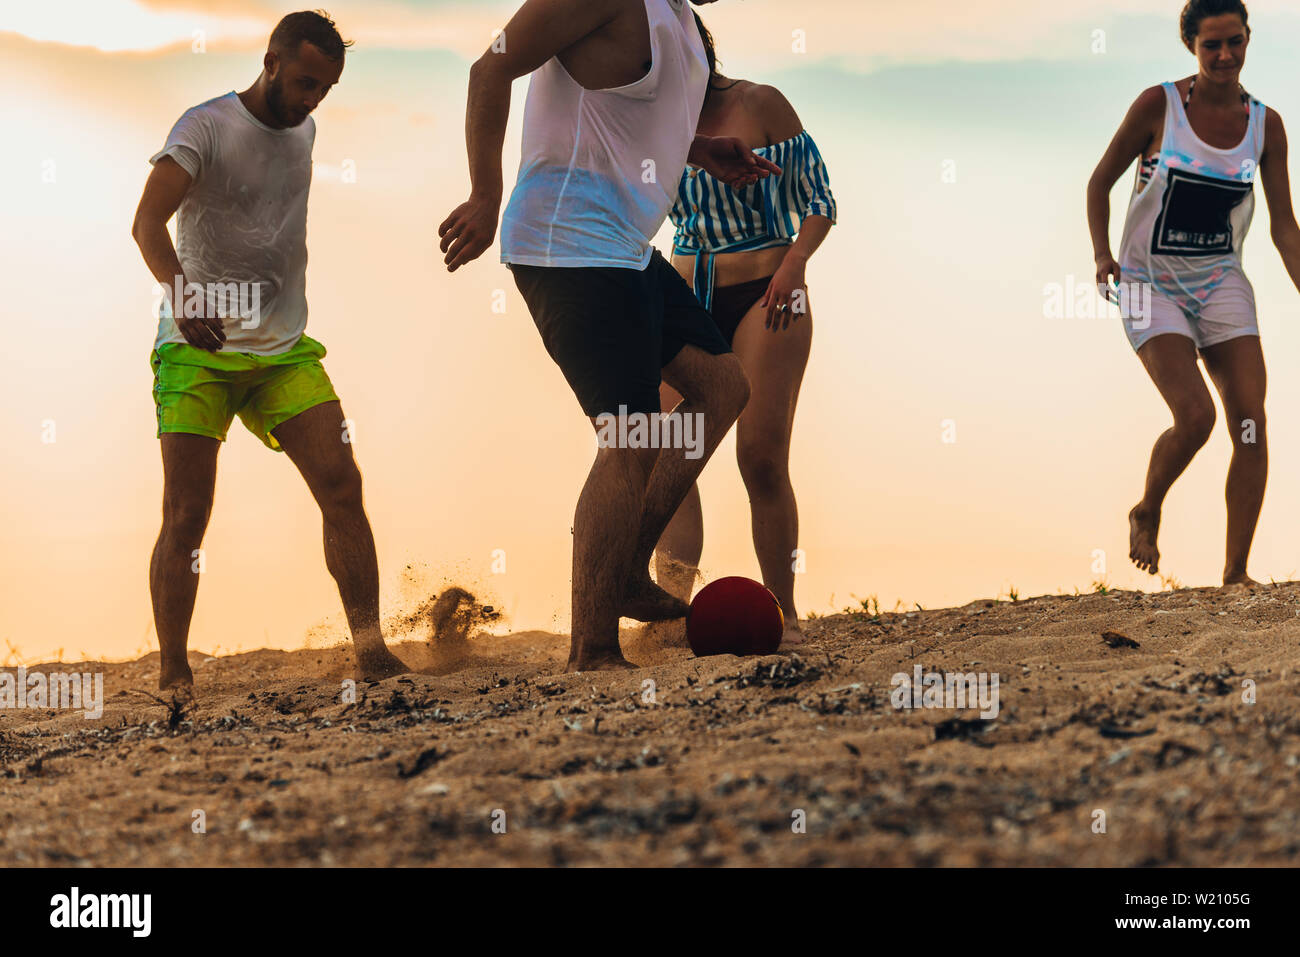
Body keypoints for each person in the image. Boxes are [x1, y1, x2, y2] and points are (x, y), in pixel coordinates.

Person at [438, 0, 780, 672]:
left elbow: (637, 121)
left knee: (722, 386)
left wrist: (702, 151)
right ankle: (591, 648)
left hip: (624, 246)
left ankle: (622, 566)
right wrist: (484, 192)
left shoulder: (678, 22)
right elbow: (490, 69)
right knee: (630, 435)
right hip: (567, 241)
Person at [131, 11, 408, 693]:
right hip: (197, 347)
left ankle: (370, 648)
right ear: (272, 61)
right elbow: (146, 223)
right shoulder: (203, 127)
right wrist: (183, 296)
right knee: (187, 515)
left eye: (326, 89)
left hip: (283, 352)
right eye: (306, 82)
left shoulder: (305, 130)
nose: (313, 100)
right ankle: (173, 669)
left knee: (343, 483)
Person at [1087, 0, 1300, 591]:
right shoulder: (1159, 106)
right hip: (1146, 282)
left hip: (1219, 280)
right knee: (1196, 416)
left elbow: (1285, 226)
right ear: (1191, 47)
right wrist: (1102, 255)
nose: (1225, 55)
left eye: (1235, 41)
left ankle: (1235, 574)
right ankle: (1148, 506)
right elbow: (1100, 180)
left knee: (1251, 422)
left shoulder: (1267, 125)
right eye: (1212, 45)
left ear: (1248, 40)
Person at [651, 13, 836, 648]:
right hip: (684, 294)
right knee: (668, 456)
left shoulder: (760, 103)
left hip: (768, 290)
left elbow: (820, 201)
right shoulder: (650, 120)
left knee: (759, 457)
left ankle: (783, 610)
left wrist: (794, 265)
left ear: (697, 47)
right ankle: (670, 615)